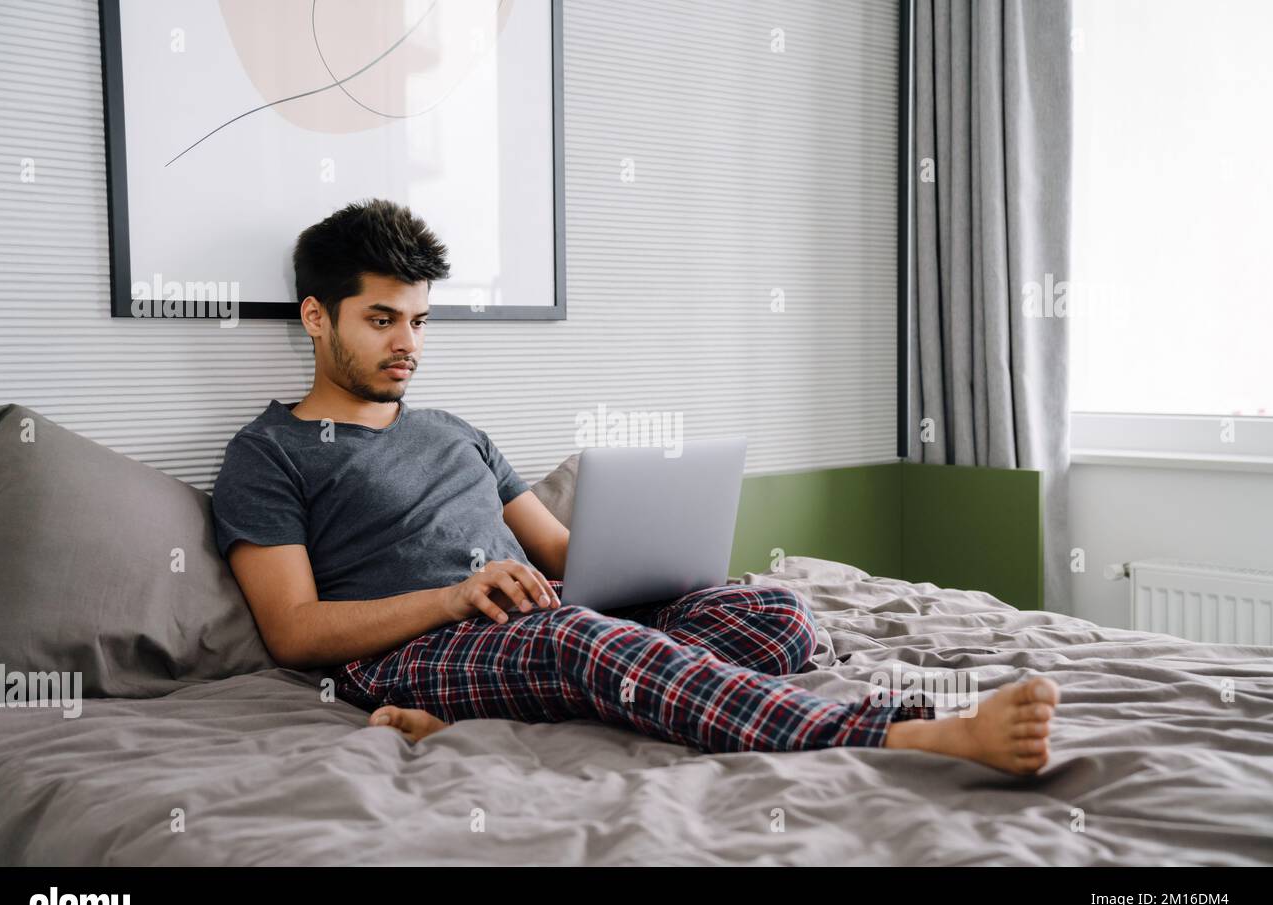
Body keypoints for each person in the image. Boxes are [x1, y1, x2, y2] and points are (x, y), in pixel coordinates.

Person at [212, 199, 1058, 775]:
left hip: (538, 622)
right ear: (317, 318)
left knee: (774, 613)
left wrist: (659, 565)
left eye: (421, 320)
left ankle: (525, 715)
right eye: (382, 320)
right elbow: (292, 631)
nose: (410, 344)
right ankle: (911, 730)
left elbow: (560, 553)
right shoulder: (270, 452)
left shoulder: (456, 432)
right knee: (579, 641)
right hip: (411, 653)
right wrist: (456, 597)